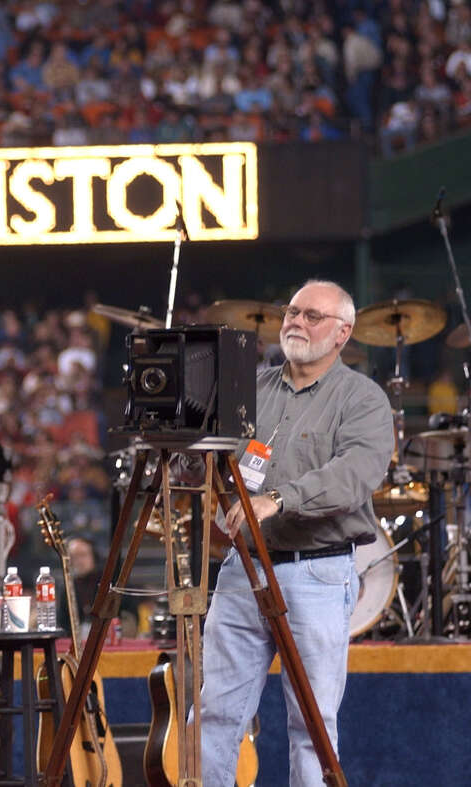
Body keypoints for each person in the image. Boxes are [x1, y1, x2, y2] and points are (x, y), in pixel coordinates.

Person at [198, 280, 393, 786]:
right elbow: (214, 458)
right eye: (291, 312)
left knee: (310, 724)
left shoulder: (362, 399)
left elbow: (353, 475)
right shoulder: (251, 387)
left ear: (342, 333)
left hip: (317, 573)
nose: (296, 323)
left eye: (312, 316)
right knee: (215, 715)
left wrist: (279, 499)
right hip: (243, 569)